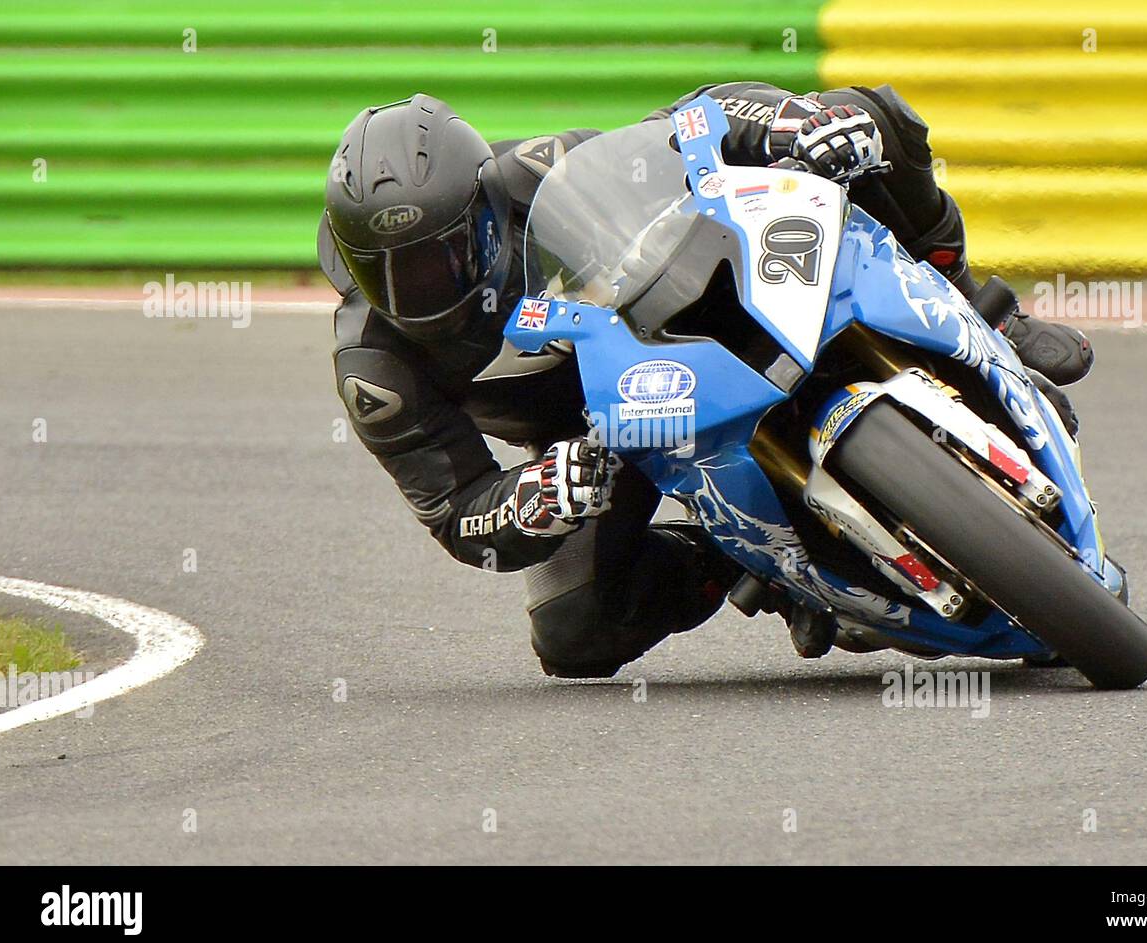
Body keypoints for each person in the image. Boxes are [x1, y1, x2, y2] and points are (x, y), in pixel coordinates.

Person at [317, 82, 1093, 677]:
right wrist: (534, 496)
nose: (415, 287)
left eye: (435, 256)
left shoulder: (532, 175)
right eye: (382, 271)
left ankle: (974, 305)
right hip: (594, 443)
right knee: (571, 633)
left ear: (482, 214)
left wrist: (787, 128)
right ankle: (726, 553)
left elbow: (684, 128)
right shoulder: (376, 371)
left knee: (867, 115)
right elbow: (459, 514)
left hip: (667, 320)